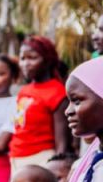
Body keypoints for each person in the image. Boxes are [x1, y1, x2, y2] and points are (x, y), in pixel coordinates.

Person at [12, 36, 71, 170]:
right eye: (22, 58)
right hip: (16, 157)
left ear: (47, 60)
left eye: (32, 58)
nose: (25, 63)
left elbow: (62, 142)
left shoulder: (57, 92)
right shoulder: (24, 90)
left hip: (41, 159)